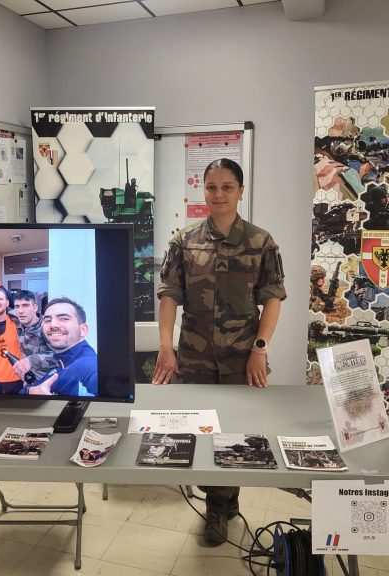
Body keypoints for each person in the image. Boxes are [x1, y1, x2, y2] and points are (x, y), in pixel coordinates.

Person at [152, 158, 286, 546]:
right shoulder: (184, 240)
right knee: (201, 432)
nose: (219, 194)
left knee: (234, 433)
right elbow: (168, 295)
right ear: (204, 191)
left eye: (227, 187)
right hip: (193, 355)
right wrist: (165, 346)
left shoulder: (262, 242)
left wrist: (260, 349)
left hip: (242, 356)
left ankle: (217, 507)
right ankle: (221, 498)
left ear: (241, 191)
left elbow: (273, 298)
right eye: (211, 187)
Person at [26, 298, 98, 397]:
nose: (53, 325)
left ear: (83, 330)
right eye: (47, 320)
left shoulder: (91, 367)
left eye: (64, 318)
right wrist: (31, 391)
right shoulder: (62, 362)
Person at [9, 290, 59, 382]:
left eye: (25, 305)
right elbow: (1, 307)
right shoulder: (18, 321)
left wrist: (32, 360)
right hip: (30, 380)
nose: (20, 311)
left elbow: (62, 355)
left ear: (35, 307)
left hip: (51, 382)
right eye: (17, 306)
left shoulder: (47, 327)